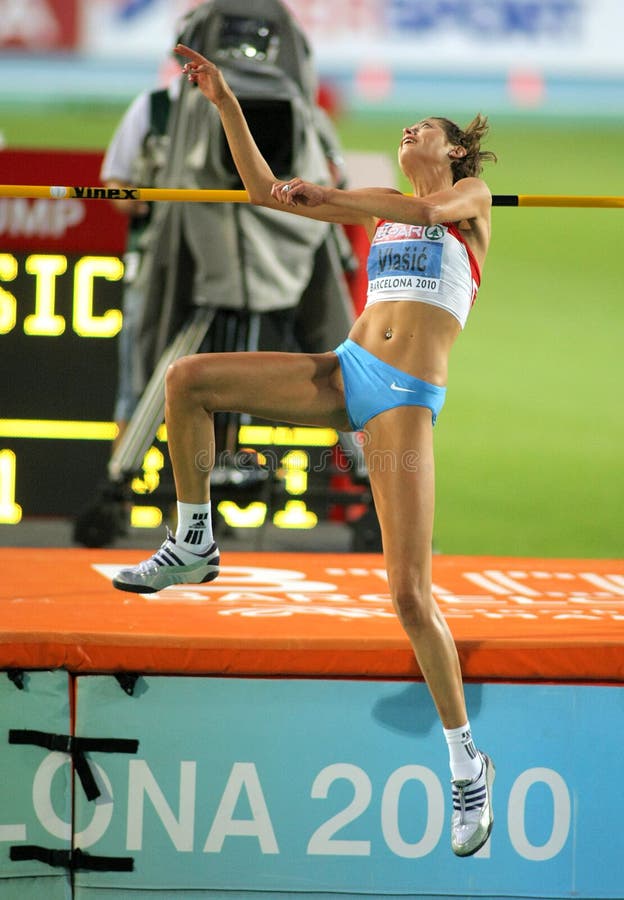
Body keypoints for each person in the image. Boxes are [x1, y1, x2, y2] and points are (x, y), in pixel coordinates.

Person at [113, 43, 497, 858]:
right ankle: (193, 539)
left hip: (400, 402)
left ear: (453, 149)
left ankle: (466, 762)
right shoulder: (383, 206)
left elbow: (431, 212)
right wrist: (224, 102)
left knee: (408, 595)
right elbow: (259, 190)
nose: (409, 130)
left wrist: (337, 194)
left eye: (422, 128)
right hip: (344, 371)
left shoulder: (469, 198)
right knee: (186, 381)